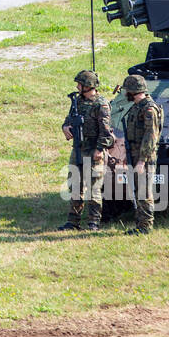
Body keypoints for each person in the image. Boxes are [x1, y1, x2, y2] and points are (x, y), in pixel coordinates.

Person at [59, 69, 114, 231]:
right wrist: (65, 128)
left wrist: (99, 149)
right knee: (74, 185)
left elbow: (105, 131)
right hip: (78, 149)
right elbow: (67, 120)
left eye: (80, 84)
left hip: (94, 150)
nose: (77, 87)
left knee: (94, 187)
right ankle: (73, 221)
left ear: (88, 86)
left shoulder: (101, 105)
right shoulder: (78, 102)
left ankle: (93, 222)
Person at [121, 74, 163, 234]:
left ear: (133, 91)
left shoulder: (149, 109)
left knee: (144, 192)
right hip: (135, 155)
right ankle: (140, 224)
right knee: (138, 191)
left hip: (143, 158)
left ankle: (145, 226)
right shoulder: (137, 107)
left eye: (127, 91)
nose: (125, 94)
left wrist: (141, 161)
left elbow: (150, 137)